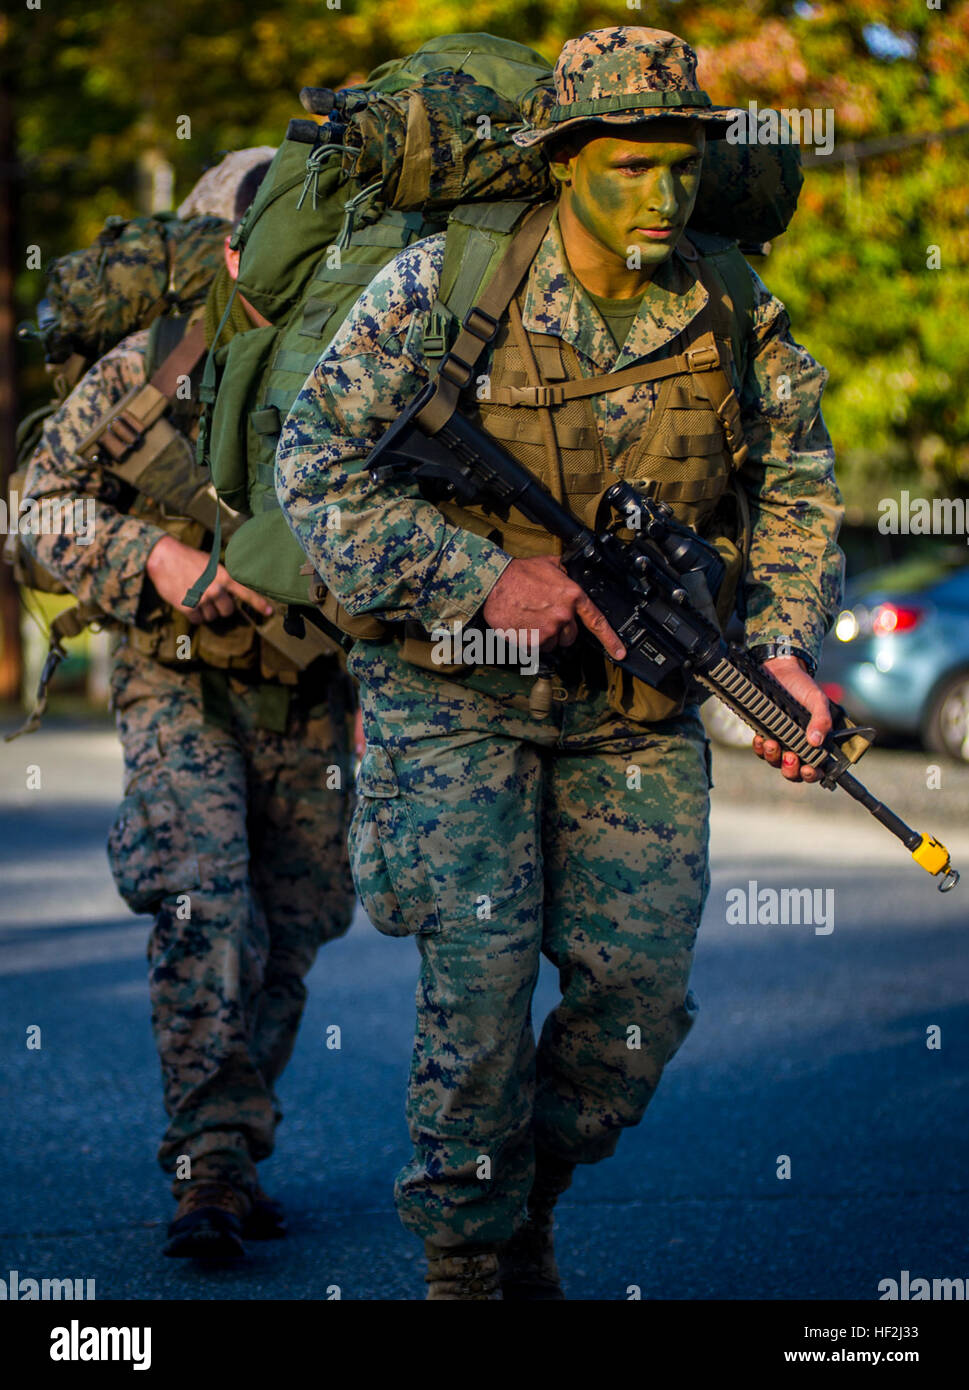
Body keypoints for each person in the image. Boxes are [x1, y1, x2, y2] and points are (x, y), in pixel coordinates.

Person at [276, 25, 844, 1299]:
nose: (662, 196)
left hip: (635, 703)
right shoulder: (442, 289)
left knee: (634, 1013)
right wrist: (486, 579)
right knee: (478, 989)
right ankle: (470, 1260)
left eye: (681, 168)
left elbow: (798, 483)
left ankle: (521, 1193)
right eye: (629, 168)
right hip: (451, 693)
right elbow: (310, 469)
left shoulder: (731, 303)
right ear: (563, 161)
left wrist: (784, 651)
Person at [21, 158, 357, 1260]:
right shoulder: (155, 364)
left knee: (291, 929)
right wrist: (153, 556)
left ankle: (236, 1147)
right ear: (229, 254)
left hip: (312, 689)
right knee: (204, 902)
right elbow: (30, 507)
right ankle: (207, 1162)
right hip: (177, 674)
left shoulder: (364, 361)